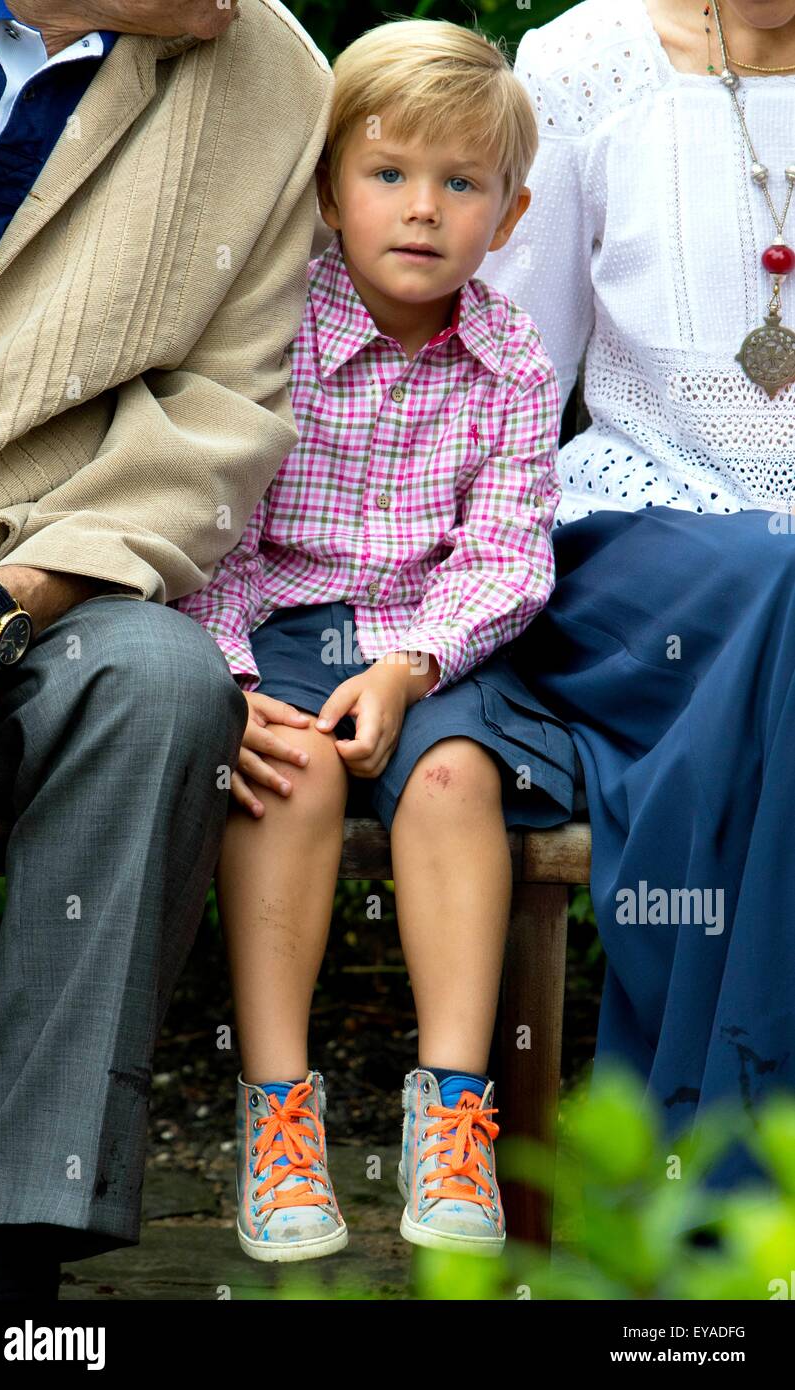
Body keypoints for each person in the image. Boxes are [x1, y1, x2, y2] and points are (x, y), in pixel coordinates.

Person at [175, 17, 574, 1262]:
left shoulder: (507, 354)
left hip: (436, 646)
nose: (421, 211)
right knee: (282, 775)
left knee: (456, 780)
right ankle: (280, 1119)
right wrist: (237, 677)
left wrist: (409, 668)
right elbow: (209, 522)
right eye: (389, 174)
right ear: (328, 186)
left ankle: (455, 1114)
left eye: (462, 185)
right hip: (277, 630)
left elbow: (507, 554)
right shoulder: (271, 325)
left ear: (507, 219)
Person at [0, 0, 332, 1300]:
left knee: (163, 687)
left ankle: (14, 1254)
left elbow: (222, 416)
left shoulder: (275, 73)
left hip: (42, 577)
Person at [478, 0, 795, 1203]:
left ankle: (703, 1203)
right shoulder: (584, 63)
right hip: (631, 549)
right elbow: (507, 372)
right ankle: (729, 1206)